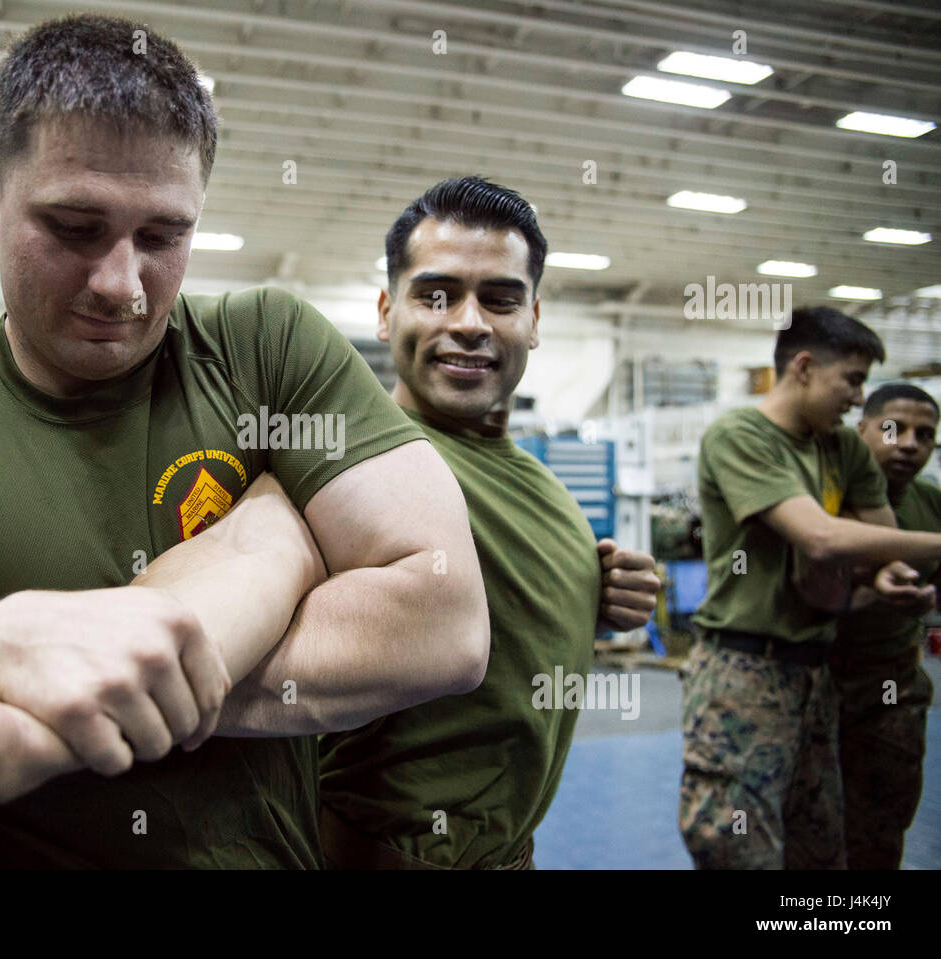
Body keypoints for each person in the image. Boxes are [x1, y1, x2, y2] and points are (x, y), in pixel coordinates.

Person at [0, 13, 490, 868]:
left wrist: (22, 688)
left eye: (162, 237)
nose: (120, 284)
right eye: (74, 227)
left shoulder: (264, 347)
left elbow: (446, 620)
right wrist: (269, 548)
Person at [318, 176, 660, 869]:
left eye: (501, 299)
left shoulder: (542, 485)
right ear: (388, 312)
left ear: (534, 318)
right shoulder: (347, 461)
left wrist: (600, 595)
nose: (470, 322)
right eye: (437, 294)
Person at [680, 306, 941, 869]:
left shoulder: (841, 447)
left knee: (819, 850)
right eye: (850, 379)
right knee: (735, 845)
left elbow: (884, 543)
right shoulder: (741, 435)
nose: (857, 396)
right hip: (743, 669)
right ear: (803, 367)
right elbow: (820, 538)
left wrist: (891, 577)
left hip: (817, 675)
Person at [832, 383, 939, 869]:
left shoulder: (930, 504)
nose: (910, 443)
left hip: (892, 691)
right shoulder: (820, 500)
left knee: (880, 829)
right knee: (807, 834)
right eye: (894, 429)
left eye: (926, 434)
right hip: (817, 687)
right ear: (861, 430)